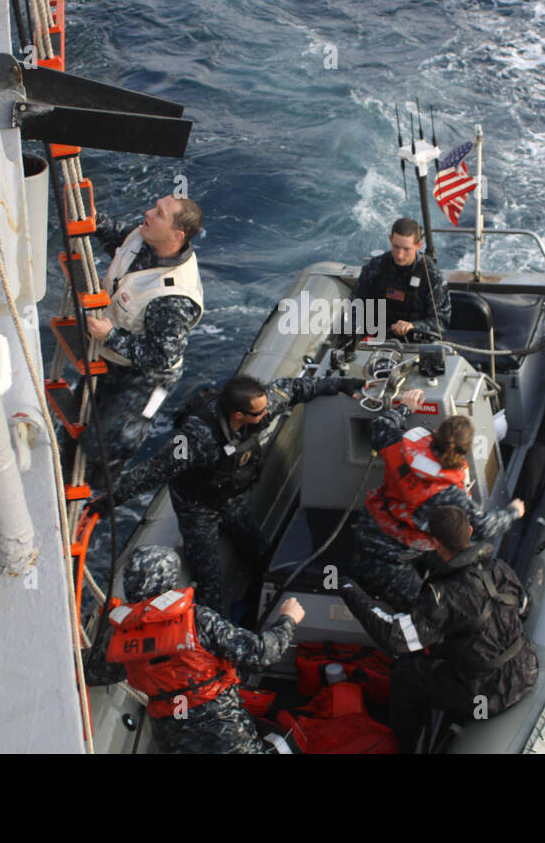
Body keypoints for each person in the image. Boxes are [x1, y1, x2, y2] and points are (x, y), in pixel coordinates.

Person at [107, 372, 361, 610]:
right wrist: (111, 499)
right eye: (259, 413)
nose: (266, 414)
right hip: (198, 507)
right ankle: (214, 622)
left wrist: (340, 384)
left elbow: (293, 389)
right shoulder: (195, 438)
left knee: (256, 547)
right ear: (239, 415)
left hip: (232, 495)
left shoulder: (260, 406)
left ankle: (262, 592)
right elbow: (153, 470)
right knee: (209, 577)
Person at [338, 505, 539, 752]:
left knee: (404, 677)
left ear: (434, 542)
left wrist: (350, 590)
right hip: (525, 671)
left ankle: (407, 746)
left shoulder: (442, 595)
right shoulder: (500, 568)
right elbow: (524, 608)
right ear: (470, 531)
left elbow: (395, 637)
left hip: (487, 693)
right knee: (438, 654)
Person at [107, 546, 305, 754]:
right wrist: (288, 620)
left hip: (173, 740)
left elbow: (98, 672)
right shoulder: (198, 621)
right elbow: (262, 654)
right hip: (223, 733)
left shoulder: (118, 637)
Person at [350, 388, 524, 610]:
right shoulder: (450, 494)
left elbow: (380, 426)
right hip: (389, 555)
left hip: (375, 527)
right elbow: (483, 527)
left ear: (435, 433)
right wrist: (513, 512)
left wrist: (404, 408)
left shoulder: (399, 445)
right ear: (465, 451)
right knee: (426, 610)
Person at [78, 193, 204, 486]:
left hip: (150, 378)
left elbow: (163, 355)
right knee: (81, 420)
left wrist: (109, 336)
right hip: (114, 354)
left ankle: (103, 482)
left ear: (177, 235)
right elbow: (121, 240)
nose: (148, 212)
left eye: (159, 213)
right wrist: (96, 222)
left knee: (112, 439)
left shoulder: (173, 298)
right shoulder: (146, 236)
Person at [347, 217, 451, 341]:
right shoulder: (375, 267)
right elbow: (355, 306)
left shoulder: (431, 275)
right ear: (390, 239)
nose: (400, 255)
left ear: (418, 245)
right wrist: (355, 335)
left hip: (417, 344)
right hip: (375, 341)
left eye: (406, 249)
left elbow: (441, 321)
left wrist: (412, 326)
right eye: (396, 247)